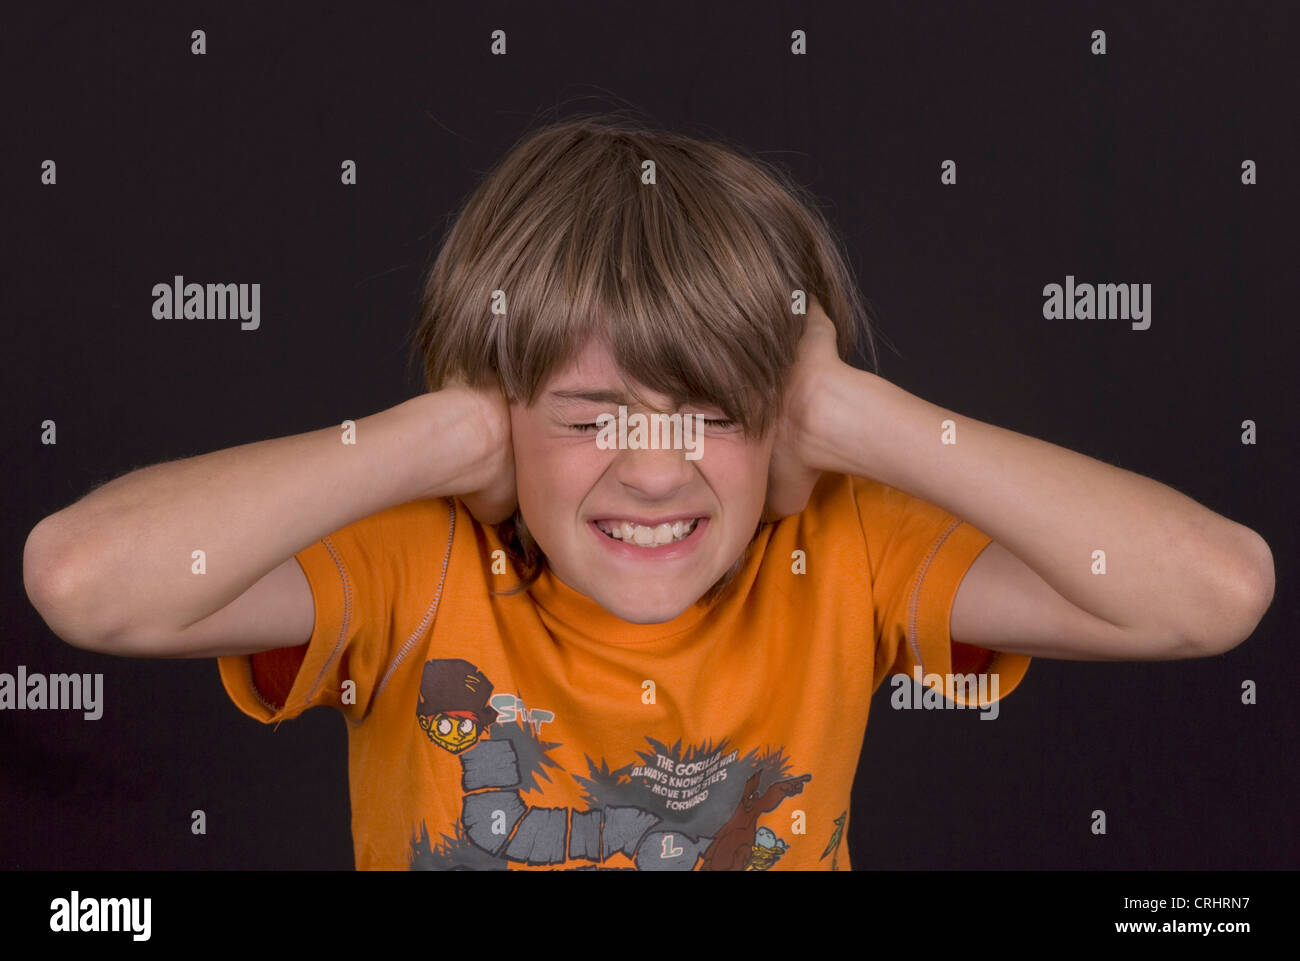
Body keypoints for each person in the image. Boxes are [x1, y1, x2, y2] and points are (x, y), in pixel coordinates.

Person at [22, 114, 1275, 871]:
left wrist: (847, 415)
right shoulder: (414, 567)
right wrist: (439, 433)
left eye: (712, 416)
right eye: (591, 418)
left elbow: (1211, 594)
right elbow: (88, 582)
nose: (657, 468)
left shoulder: (843, 553)